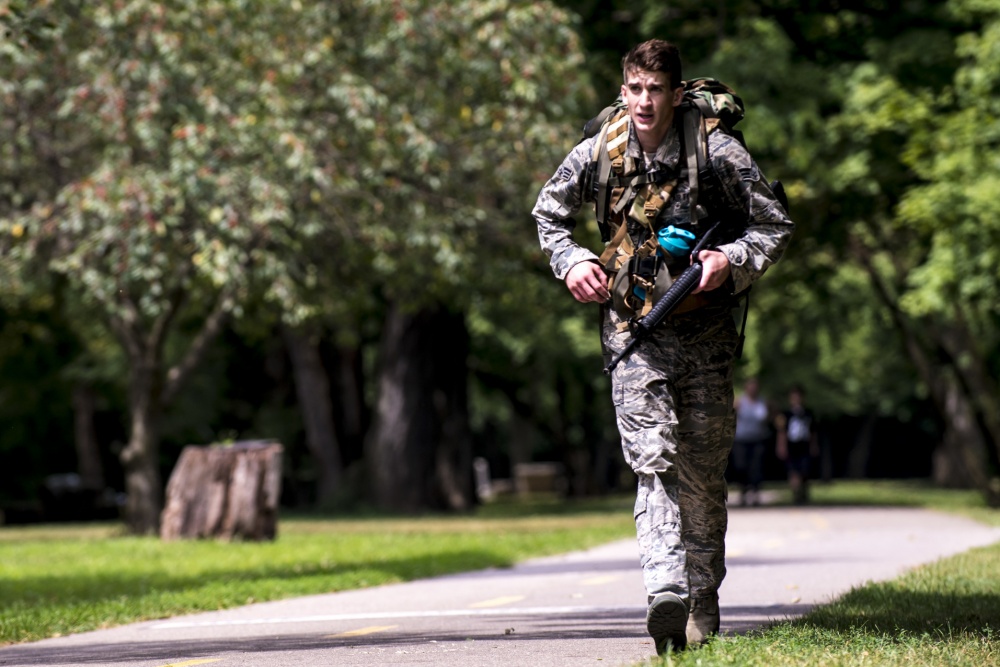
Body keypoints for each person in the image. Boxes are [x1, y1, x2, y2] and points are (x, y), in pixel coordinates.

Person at [531, 39, 793, 653]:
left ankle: (702, 597)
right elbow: (548, 214)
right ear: (623, 91)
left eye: (656, 90)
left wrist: (731, 260)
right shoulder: (600, 151)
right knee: (652, 461)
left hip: (706, 336)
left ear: (676, 94)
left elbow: (774, 223)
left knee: (702, 474)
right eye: (635, 89)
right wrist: (572, 262)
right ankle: (665, 590)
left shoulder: (717, 151)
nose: (645, 101)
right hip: (634, 330)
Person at [775, 385, 818, 505]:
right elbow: (782, 432)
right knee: (793, 470)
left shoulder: (808, 414)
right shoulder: (785, 414)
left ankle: (804, 490)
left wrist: (814, 445)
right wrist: (781, 446)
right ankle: (796, 493)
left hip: (804, 444)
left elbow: (813, 432)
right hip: (791, 445)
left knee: (805, 469)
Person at [732, 378, 771, 506]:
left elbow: (768, 418)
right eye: (751, 386)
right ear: (746, 388)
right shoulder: (739, 402)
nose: (753, 389)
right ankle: (743, 490)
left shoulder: (762, 402)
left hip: (758, 439)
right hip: (741, 439)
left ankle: (755, 492)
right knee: (741, 466)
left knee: (757, 467)